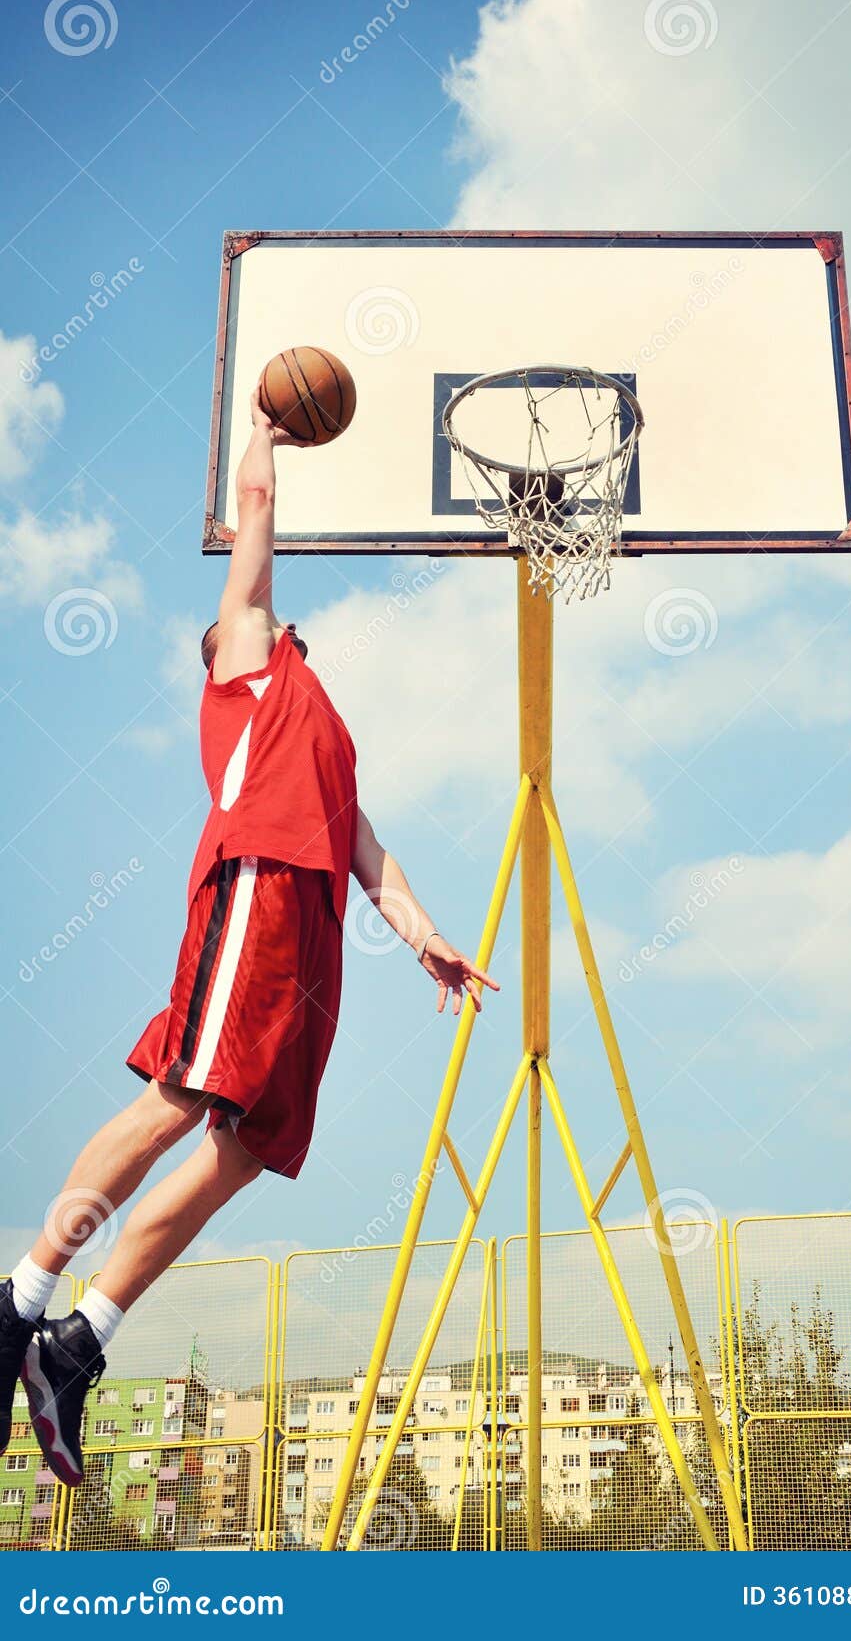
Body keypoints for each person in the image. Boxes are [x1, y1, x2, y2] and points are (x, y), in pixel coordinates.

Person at [0, 393, 499, 1487]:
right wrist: (263, 441)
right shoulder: (244, 670)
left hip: (312, 942)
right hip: (258, 890)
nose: (275, 622)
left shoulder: (324, 729)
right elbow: (256, 516)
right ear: (227, 645)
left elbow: (372, 855)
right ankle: (20, 1300)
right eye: (258, 616)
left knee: (248, 1148)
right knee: (180, 1095)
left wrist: (427, 941)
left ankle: (75, 1344)